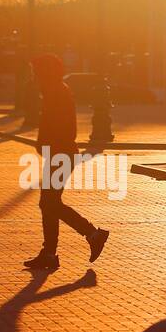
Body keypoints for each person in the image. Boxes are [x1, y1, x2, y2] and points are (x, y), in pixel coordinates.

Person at [26, 54, 109, 272]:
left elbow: (65, 128)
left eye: (36, 71)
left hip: (61, 154)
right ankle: (50, 254)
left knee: (50, 203)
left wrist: (48, 144)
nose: (33, 76)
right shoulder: (54, 92)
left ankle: (92, 234)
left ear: (45, 73)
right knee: (49, 202)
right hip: (59, 153)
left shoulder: (57, 93)